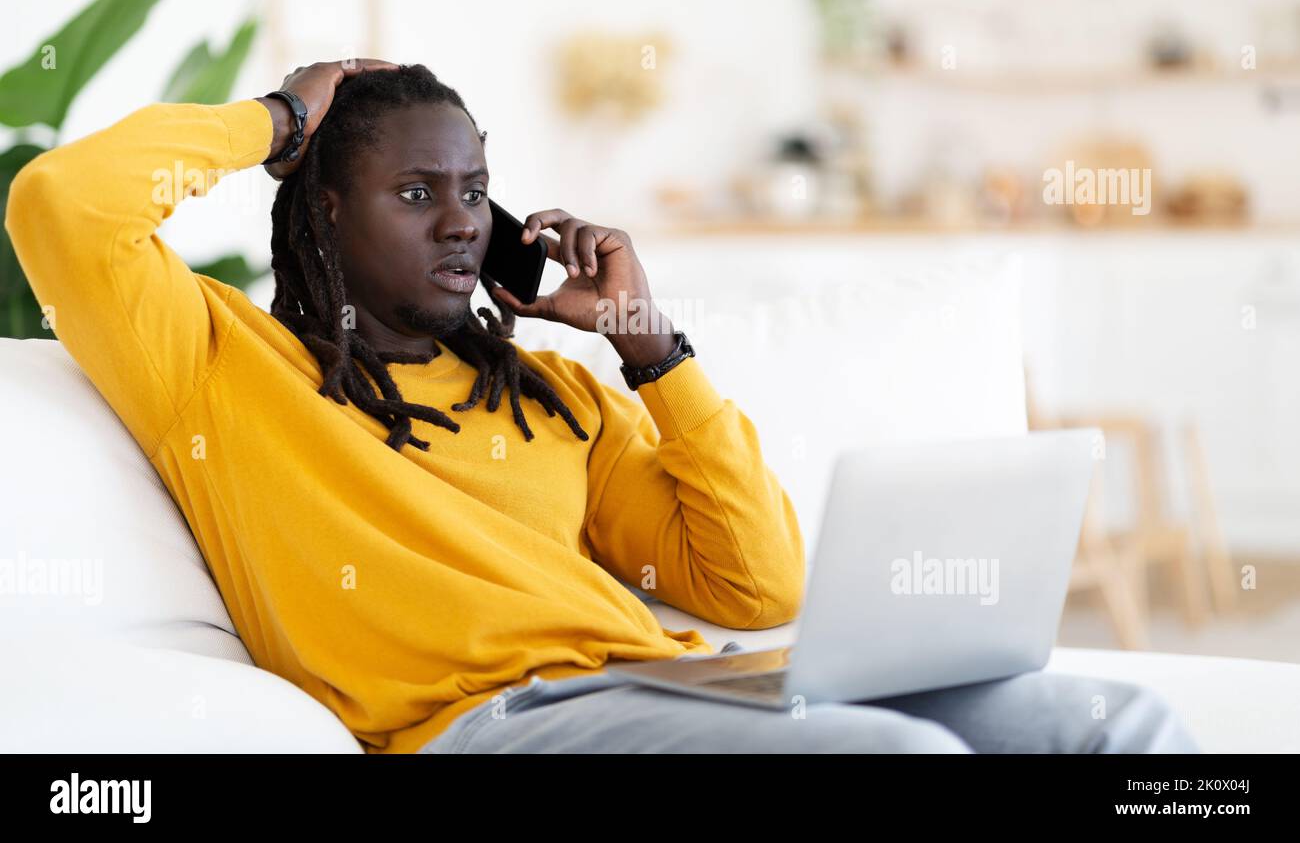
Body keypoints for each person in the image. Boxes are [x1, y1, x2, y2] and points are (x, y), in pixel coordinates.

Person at [4, 60, 1198, 754]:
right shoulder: (218, 362)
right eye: (415, 191)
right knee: (891, 755)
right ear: (320, 210)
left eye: (474, 188)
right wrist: (279, 119)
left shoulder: (555, 390)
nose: (463, 220)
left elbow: (754, 587)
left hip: (665, 685)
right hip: (491, 727)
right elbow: (61, 200)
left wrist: (646, 342)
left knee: (1115, 720)